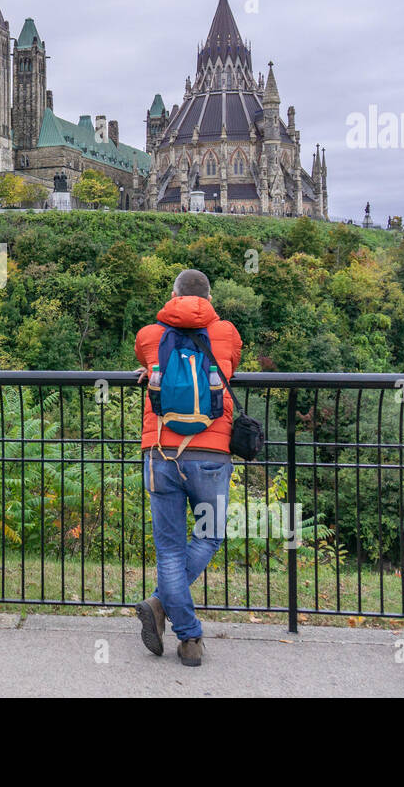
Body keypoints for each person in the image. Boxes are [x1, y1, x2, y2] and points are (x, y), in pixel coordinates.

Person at [132, 268, 242, 666]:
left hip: (161, 452)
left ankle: (174, 619)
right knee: (210, 535)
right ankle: (181, 626)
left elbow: (147, 361)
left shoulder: (149, 335)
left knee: (169, 550)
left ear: (173, 295)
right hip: (211, 454)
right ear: (209, 298)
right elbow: (233, 362)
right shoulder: (226, 331)